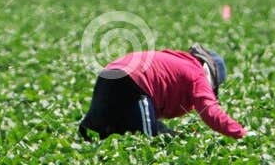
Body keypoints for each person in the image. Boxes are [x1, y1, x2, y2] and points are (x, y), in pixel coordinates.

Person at [77, 44, 246, 140]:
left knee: (95, 134)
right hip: (132, 83)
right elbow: (210, 111)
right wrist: (240, 133)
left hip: (108, 76)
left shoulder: (177, 62)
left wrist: (171, 133)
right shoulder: (197, 73)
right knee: (144, 144)